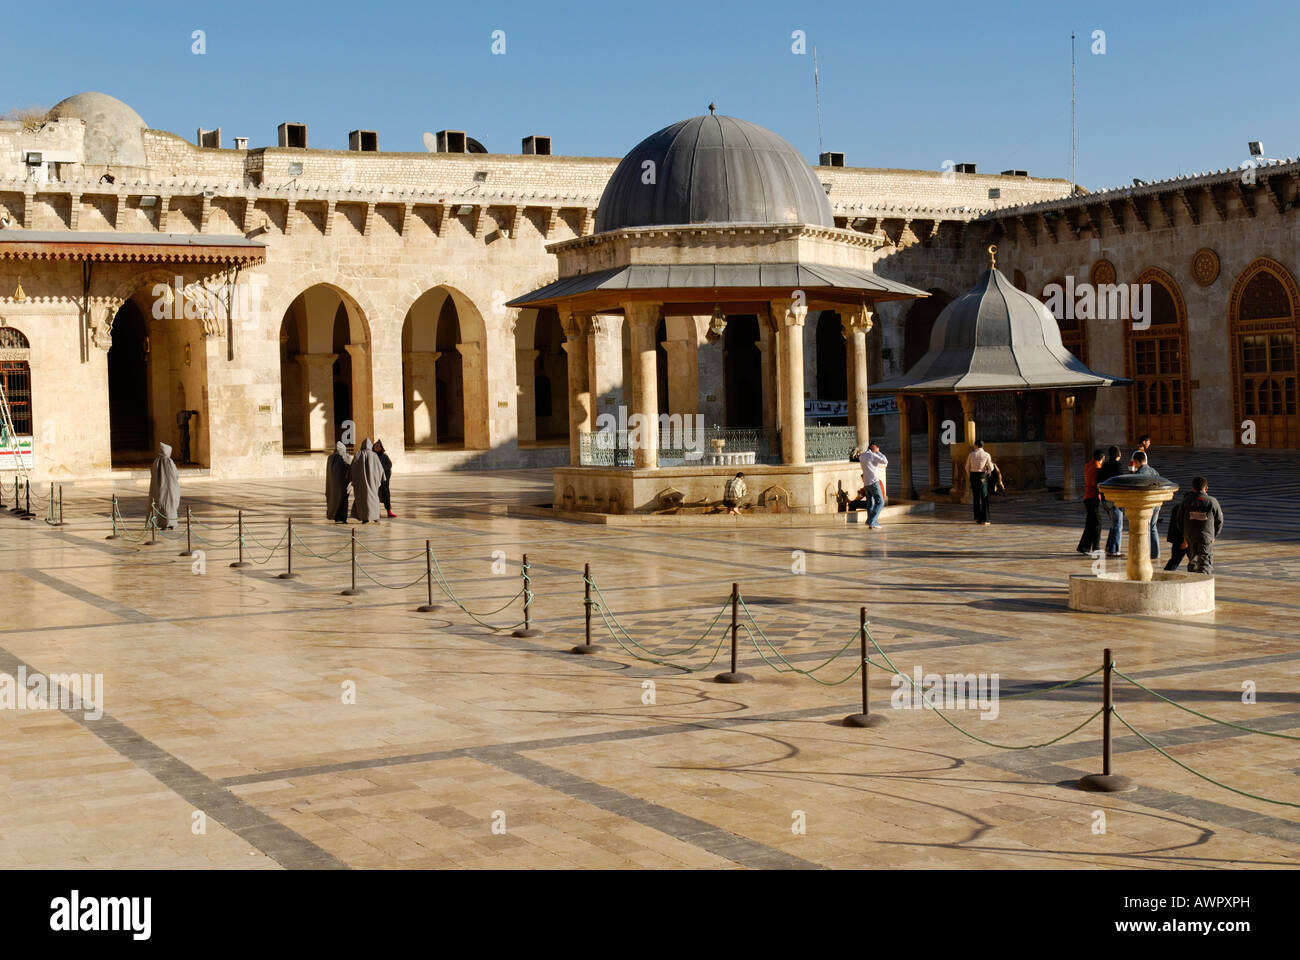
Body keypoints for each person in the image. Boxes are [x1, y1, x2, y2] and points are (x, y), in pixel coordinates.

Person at [1181, 477, 1223, 574]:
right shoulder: (1212, 501)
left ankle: (1192, 583)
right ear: (1206, 488)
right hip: (1205, 536)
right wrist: (1214, 535)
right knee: (1205, 562)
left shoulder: (1186, 501)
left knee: (1192, 560)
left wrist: (1185, 534)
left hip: (1190, 536)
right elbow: (1219, 521)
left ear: (1193, 488)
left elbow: (1179, 519)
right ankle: (1204, 585)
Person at [1130, 450, 1160, 560]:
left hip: (1146, 503)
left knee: (1145, 527)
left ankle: (1145, 552)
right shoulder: (1154, 471)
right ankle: (1155, 553)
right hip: (1156, 502)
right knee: (1152, 526)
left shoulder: (1140, 473)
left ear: (1137, 461)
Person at [1099, 445, 1126, 556]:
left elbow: (1099, 481)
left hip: (1105, 499)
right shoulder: (1118, 466)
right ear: (1119, 455)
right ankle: (1114, 550)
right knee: (1118, 525)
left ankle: (1110, 548)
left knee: (1114, 524)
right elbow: (1122, 483)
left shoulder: (1104, 466)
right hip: (1115, 500)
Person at [350, 438, 385, 523]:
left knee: (362, 499)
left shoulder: (358, 454)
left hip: (360, 483)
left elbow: (353, 468)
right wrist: (380, 479)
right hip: (373, 482)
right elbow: (380, 469)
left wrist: (352, 479)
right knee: (373, 498)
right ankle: (375, 516)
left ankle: (365, 517)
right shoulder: (374, 455)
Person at [1077, 448, 1104, 554]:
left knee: (1090, 523)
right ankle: (1096, 547)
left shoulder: (1088, 465)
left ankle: (1084, 547)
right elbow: (1094, 483)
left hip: (1087, 497)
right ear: (1102, 458)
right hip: (1093, 497)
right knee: (1098, 522)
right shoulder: (1097, 467)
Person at [148, 441, 180, 530]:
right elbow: (175, 474)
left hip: (159, 488)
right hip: (170, 488)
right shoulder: (169, 462)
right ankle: (171, 523)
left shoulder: (156, 462)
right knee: (170, 505)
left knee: (161, 504)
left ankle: (162, 524)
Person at [965, 440, 995, 525]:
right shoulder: (986, 454)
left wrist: (970, 476)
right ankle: (985, 520)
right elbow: (991, 467)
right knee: (984, 496)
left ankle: (977, 518)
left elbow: (967, 467)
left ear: (976, 446)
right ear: (982, 446)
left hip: (974, 477)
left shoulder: (971, 454)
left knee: (976, 497)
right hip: (982, 477)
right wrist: (988, 471)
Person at [859, 441, 888, 529]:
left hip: (866, 483)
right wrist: (878, 452)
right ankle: (871, 521)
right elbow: (885, 461)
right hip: (873, 482)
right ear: (874, 447)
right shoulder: (872, 455)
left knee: (870, 503)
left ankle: (872, 522)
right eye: (877, 448)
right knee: (880, 502)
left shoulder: (862, 456)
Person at [1164, 486, 1193, 572]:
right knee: (1192, 561)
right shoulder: (1187, 509)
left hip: (1176, 538)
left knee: (1175, 560)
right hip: (1185, 539)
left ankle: (1166, 575)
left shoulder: (1177, 507)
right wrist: (1185, 541)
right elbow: (1185, 526)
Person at [325, 441, 352, 523]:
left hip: (333, 485)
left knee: (335, 500)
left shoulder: (330, 458)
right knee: (343, 500)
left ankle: (336, 517)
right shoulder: (346, 457)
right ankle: (343, 518)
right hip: (344, 484)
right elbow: (351, 468)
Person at [373, 439, 397, 518]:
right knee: (374, 495)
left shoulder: (384, 456)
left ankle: (389, 511)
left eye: (378, 446)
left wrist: (382, 471)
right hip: (374, 479)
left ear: (381, 447)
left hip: (384, 480)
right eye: (375, 446)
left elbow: (389, 465)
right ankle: (376, 512)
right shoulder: (372, 456)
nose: (376, 448)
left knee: (386, 494)